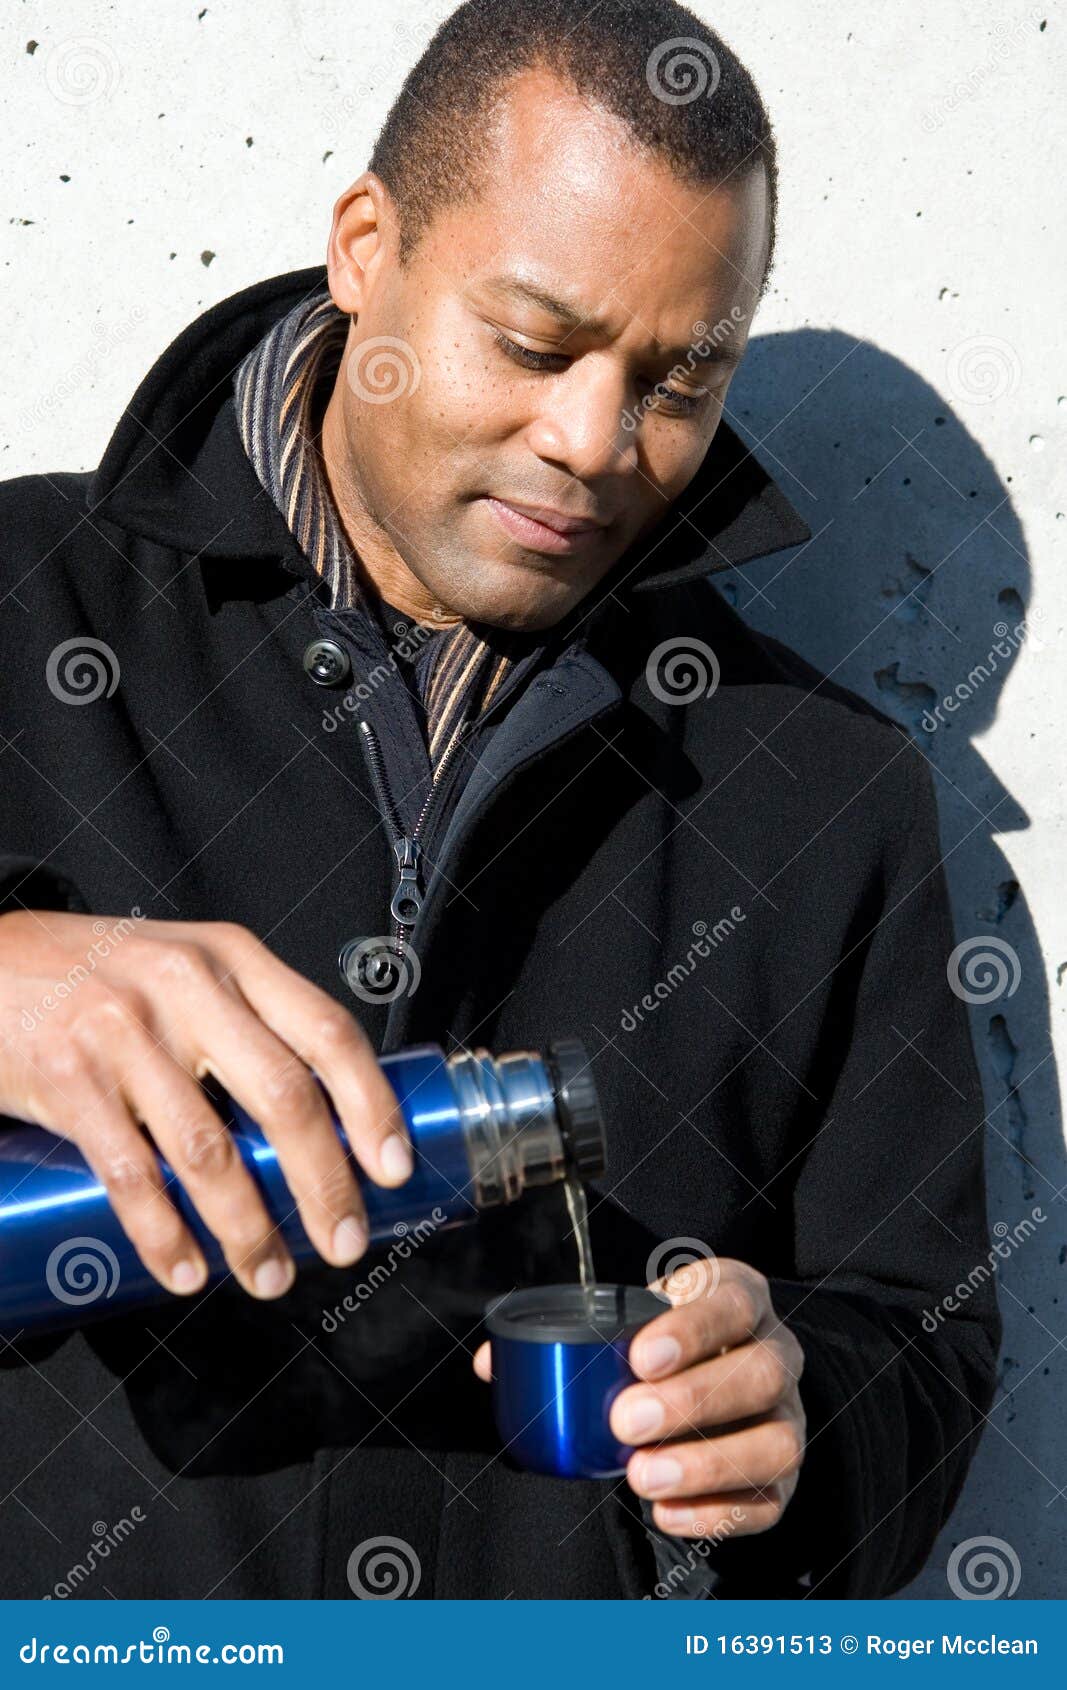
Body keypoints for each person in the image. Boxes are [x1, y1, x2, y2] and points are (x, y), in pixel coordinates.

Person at [0, 0, 999, 1599]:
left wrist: (802, 1424)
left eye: (679, 380)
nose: (594, 443)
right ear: (365, 249)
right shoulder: (21, 607)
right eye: (535, 345)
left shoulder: (831, 795)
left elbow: (924, 1356)